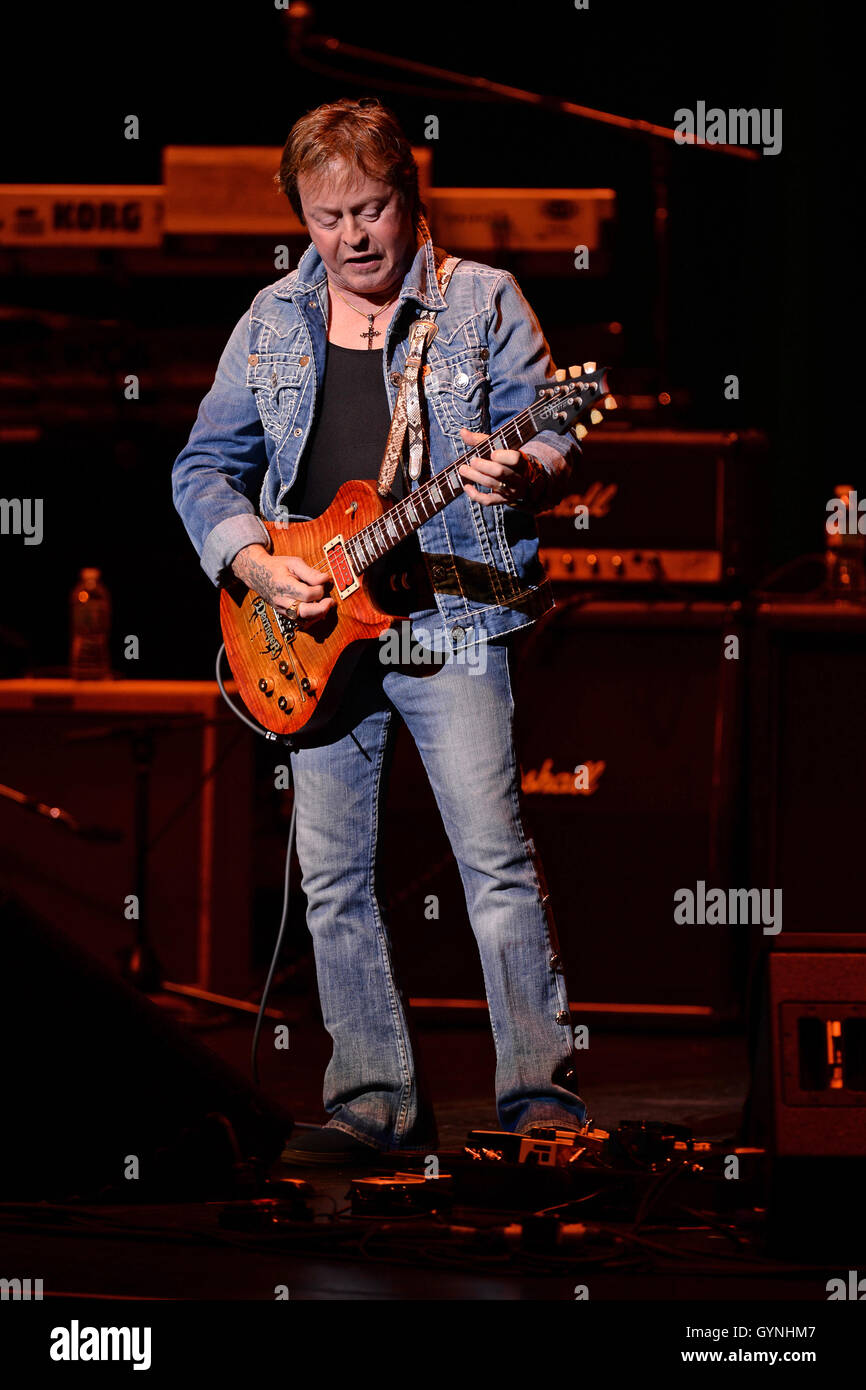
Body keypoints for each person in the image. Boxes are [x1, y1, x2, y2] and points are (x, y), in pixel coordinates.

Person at [172, 97, 589, 1163]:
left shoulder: (481, 300)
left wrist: (523, 469)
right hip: (310, 625)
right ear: (300, 216)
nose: (353, 234)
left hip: (450, 614)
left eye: (371, 207)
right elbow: (202, 469)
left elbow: (553, 440)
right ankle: (373, 1108)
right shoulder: (269, 320)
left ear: (411, 197)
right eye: (327, 215)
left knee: (490, 860)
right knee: (331, 878)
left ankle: (538, 1106)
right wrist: (257, 561)